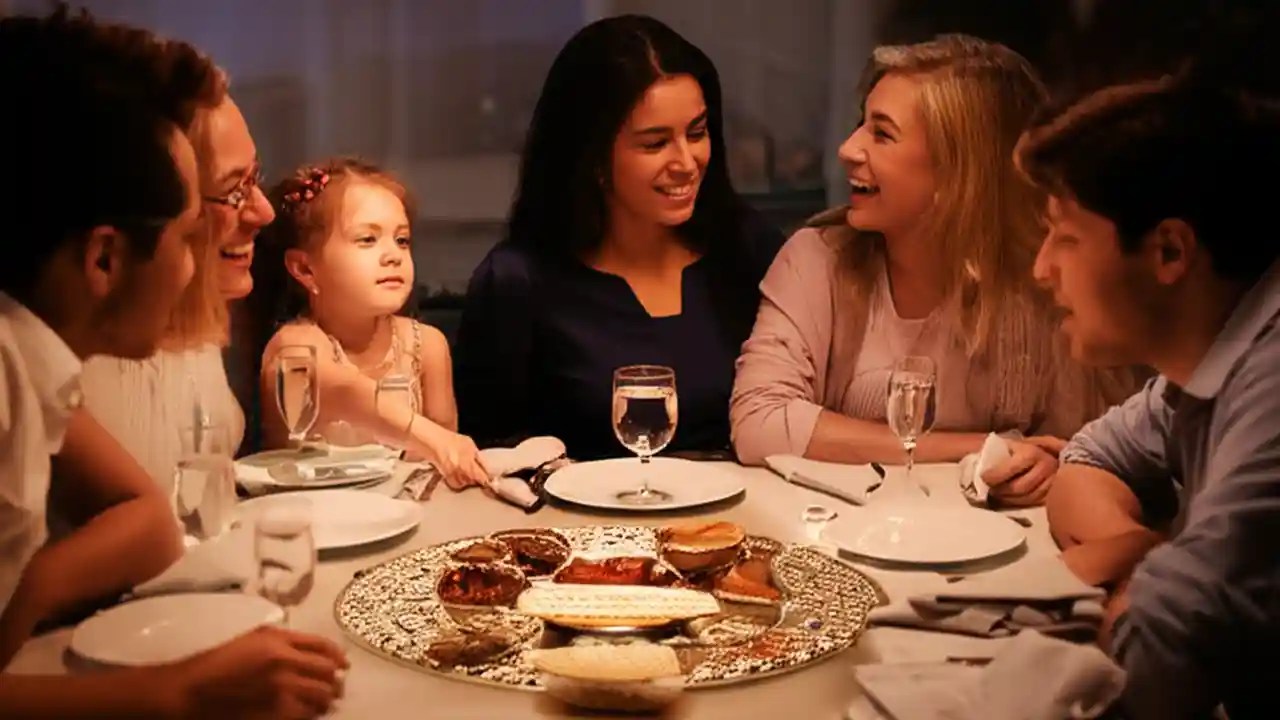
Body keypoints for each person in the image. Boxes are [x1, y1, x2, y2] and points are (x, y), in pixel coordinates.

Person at [0, 9, 344, 717]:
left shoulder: (34, 372)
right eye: (192, 227)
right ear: (103, 259)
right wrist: (172, 693)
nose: (255, 217)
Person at [730, 35, 1131, 505]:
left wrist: (1048, 467)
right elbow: (759, 423)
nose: (847, 148)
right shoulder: (818, 259)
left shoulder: (1047, 279)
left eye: (881, 133)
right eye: (862, 123)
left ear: (958, 170)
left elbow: (1099, 452)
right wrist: (982, 447)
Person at [1019, 66, 1280, 718]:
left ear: (1169, 251)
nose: (1042, 267)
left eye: (1067, 236)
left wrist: (1147, 585)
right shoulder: (1202, 369)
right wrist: (1146, 550)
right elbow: (1087, 459)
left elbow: (1171, 627)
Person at [453, 15, 785, 460]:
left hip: (741, 520)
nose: (686, 162)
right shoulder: (518, 281)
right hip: (579, 525)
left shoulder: (748, 249)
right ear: (591, 157)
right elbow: (487, 457)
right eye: (655, 144)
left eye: (697, 133)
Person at [75, 20, 274, 494]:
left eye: (256, 179)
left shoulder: (203, 324)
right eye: (233, 190)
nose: (264, 212)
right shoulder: (50, 367)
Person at [253, 158, 488, 490]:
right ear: (305, 270)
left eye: (402, 240)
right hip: (315, 525)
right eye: (367, 239)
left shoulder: (427, 346)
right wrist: (431, 437)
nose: (392, 255)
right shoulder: (296, 344)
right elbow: (339, 389)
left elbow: (445, 468)